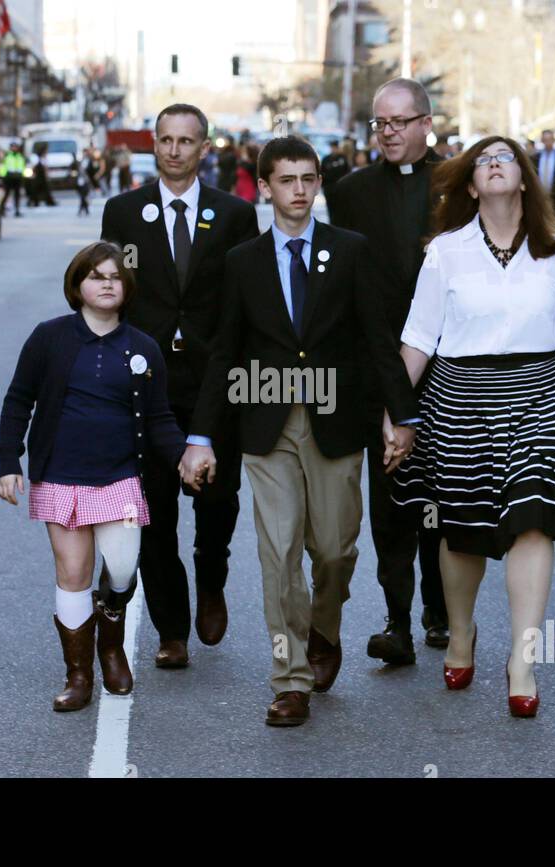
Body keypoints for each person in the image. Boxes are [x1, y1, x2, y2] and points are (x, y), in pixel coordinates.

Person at [181, 136, 417, 726]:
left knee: (334, 551)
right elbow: (223, 354)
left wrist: (402, 413)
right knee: (278, 555)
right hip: (266, 426)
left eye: (308, 179)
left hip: (338, 421)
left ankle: (323, 631)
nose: (299, 191)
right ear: (265, 188)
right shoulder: (243, 262)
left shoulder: (351, 251)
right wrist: (202, 437)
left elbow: (378, 339)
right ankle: (289, 679)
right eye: (286, 180)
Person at [391, 135, 555, 718]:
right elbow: (418, 339)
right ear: (470, 185)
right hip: (460, 394)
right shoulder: (446, 251)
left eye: (506, 159)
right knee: (462, 528)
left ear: (524, 178)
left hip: (539, 392)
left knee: (533, 519)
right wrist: (393, 413)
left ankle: (523, 659)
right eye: (483, 161)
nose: (495, 166)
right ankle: (462, 631)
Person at [100, 103, 259, 668]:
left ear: (204, 148)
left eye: (185, 141)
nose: (173, 150)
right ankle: (171, 628)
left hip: (217, 385)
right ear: (154, 146)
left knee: (218, 500)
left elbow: (245, 303)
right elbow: (109, 292)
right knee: (153, 513)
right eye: (164, 140)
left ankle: (211, 577)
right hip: (147, 387)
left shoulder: (236, 214)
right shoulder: (123, 212)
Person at [0, 242, 185, 711]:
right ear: (77, 285)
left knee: (121, 570)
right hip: (60, 474)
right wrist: (7, 461)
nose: (106, 283)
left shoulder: (142, 348)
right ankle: (79, 674)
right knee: (73, 573)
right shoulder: (49, 338)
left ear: (127, 288)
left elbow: (159, 416)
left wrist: (184, 456)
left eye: (115, 277)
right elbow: (18, 400)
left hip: (121, 476)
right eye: (96, 275)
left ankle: (111, 644)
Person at [325, 76, 449, 664]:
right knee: (393, 495)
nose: (389, 133)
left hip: (450, 362)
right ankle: (397, 619)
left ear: (427, 123)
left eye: (400, 121)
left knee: (446, 495)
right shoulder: (348, 191)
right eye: (380, 123)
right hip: (378, 360)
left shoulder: (458, 184)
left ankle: (442, 610)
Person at [0, 141, 27, 217]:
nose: (14, 148)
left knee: (17, 195)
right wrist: (2, 176)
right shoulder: (7, 156)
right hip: (8, 178)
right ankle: (1, 209)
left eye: (16, 147)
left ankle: (17, 210)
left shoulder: (20, 156)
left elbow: (23, 167)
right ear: (10, 148)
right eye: (13, 147)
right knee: (6, 194)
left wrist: (23, 175)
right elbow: (2, 166)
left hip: (18, 178)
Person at [77, 149, 94, 215]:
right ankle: (85, 210)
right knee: (82, 196)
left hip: (87, 181)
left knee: (83, 196)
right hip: (80, 181)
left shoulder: (90, 161)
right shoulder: (80, 161)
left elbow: (91, 172)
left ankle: (81, 210)